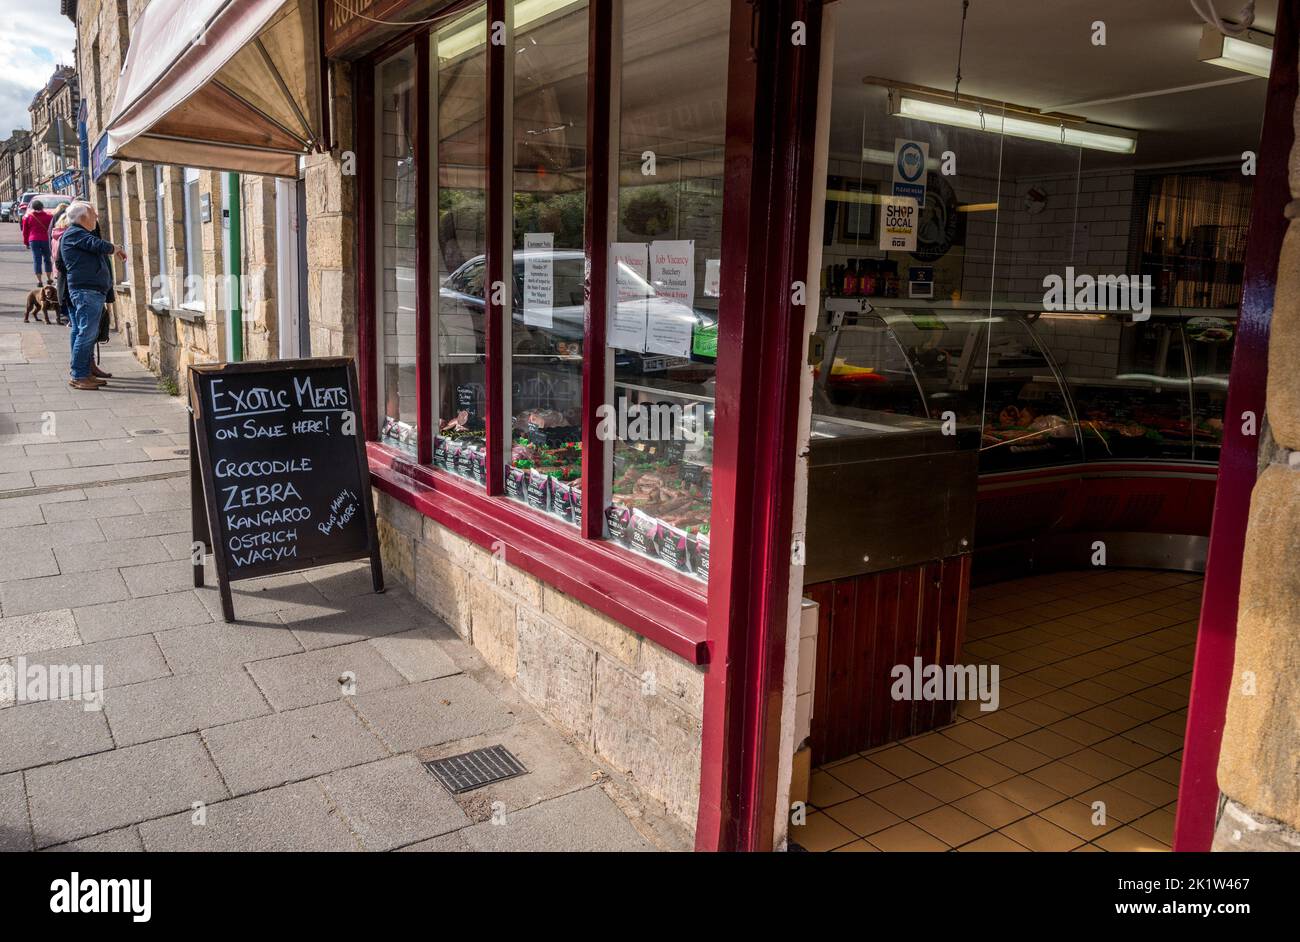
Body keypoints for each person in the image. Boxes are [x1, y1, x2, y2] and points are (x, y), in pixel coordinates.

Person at [58, 201, 125, 390]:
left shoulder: (78, 233)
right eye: (93, 214)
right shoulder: (75, 233)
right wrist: (116, 248)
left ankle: (85, 372)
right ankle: (79, 375)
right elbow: (95, 244)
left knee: (86, 332)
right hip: (86, 291)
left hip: (90, 291)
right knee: (86, 334)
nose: (96, 217)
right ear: (83, 217)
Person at [20, 200, 54, 288]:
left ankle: (39, 281)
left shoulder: (27, 217)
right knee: (47, 259)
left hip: (33, 240)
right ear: (42, 207)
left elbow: (25, 231)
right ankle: (49, 278)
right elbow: (52, 228)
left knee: (37, 260)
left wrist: (26, 242)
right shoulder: (49, 216)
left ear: (33, 207)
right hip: (46, 239)